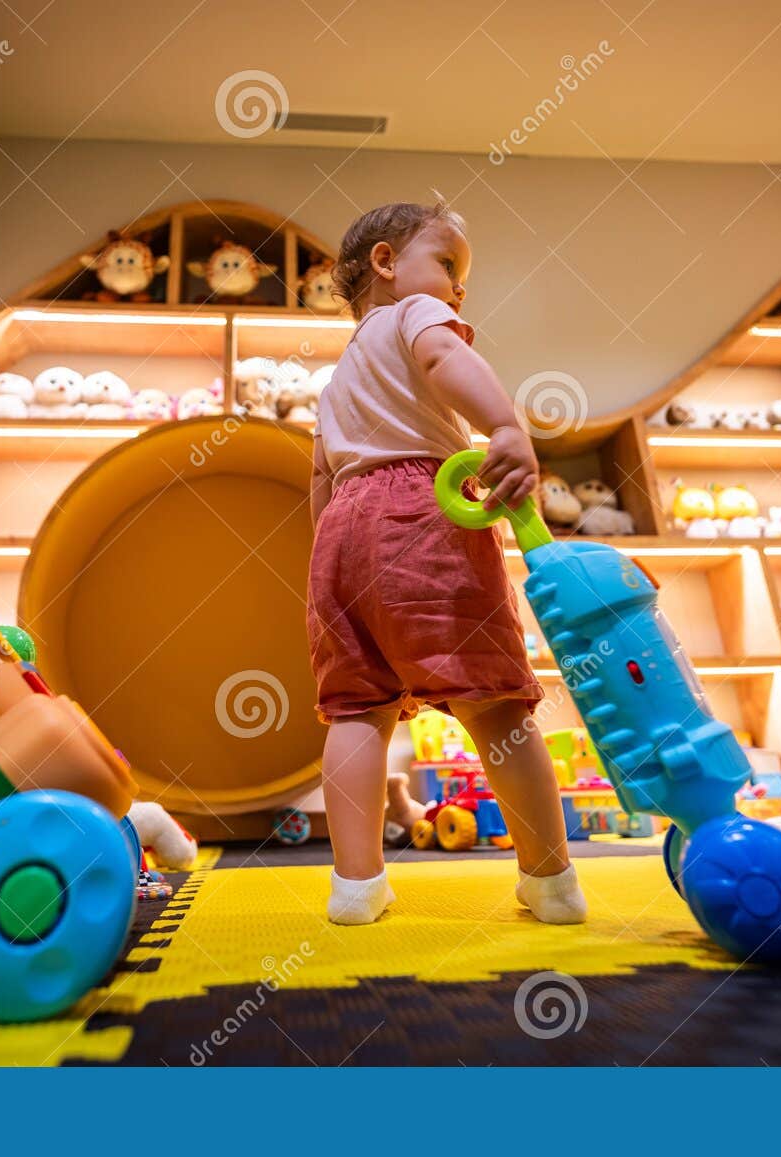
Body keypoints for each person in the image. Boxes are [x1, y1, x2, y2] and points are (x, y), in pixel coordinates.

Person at [306, 199, 587, 926]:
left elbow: (318, 480)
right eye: (449, 266)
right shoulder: (413, 318)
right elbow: (445, 356)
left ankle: (356, 886)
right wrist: (503, 424)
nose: (458, 289)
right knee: (495, 701)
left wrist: (329, 562)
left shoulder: (337, 384)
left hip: (340, 533)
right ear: (387, 264)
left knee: (357, 707)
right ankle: (550, 880)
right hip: (424, 509)